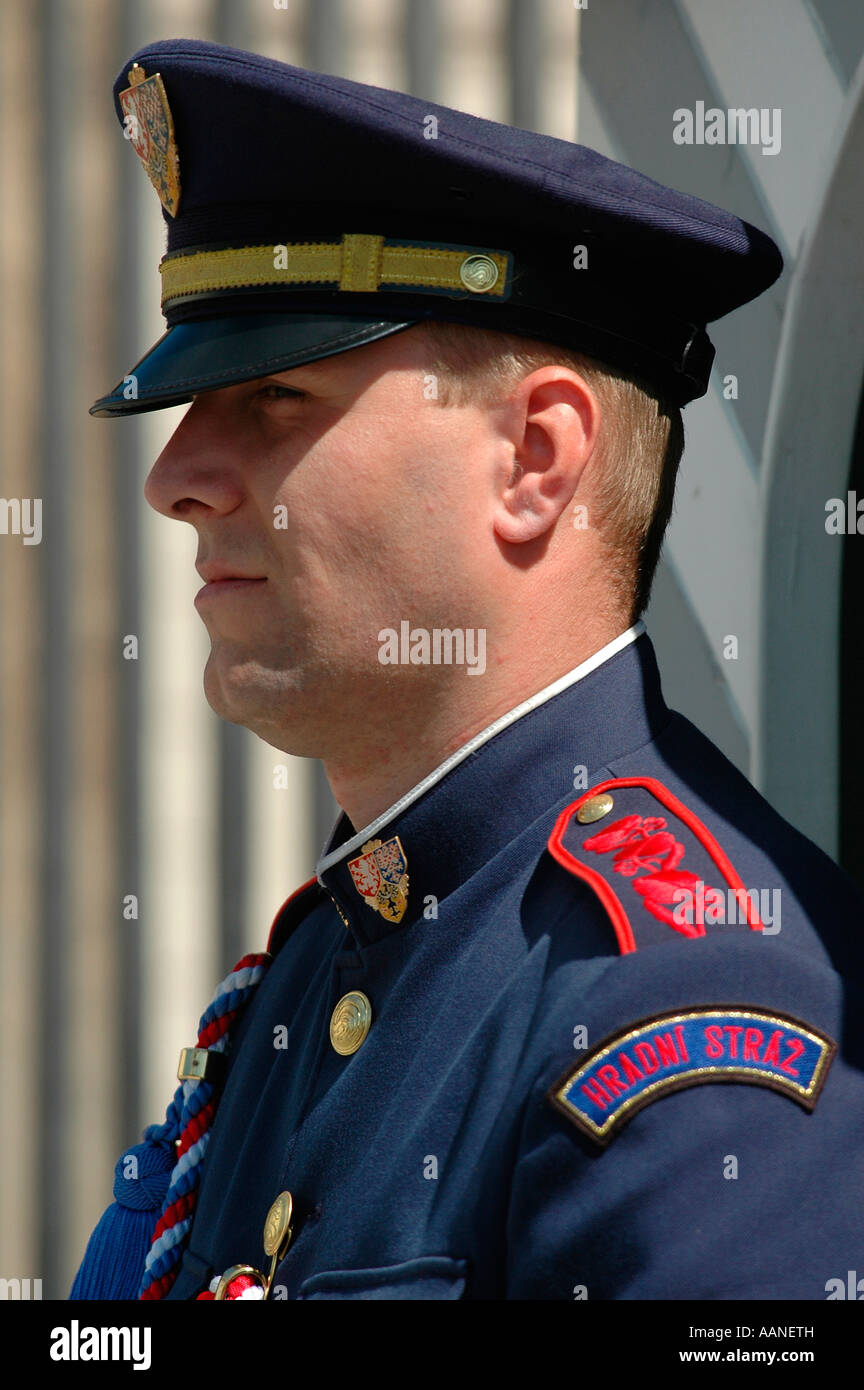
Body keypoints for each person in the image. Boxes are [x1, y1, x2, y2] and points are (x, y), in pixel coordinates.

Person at [71, 38, 864, 1302]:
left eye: (272, 394)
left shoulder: (697, 1007)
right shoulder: (320, 959)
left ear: (535, 459)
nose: (176, 479)